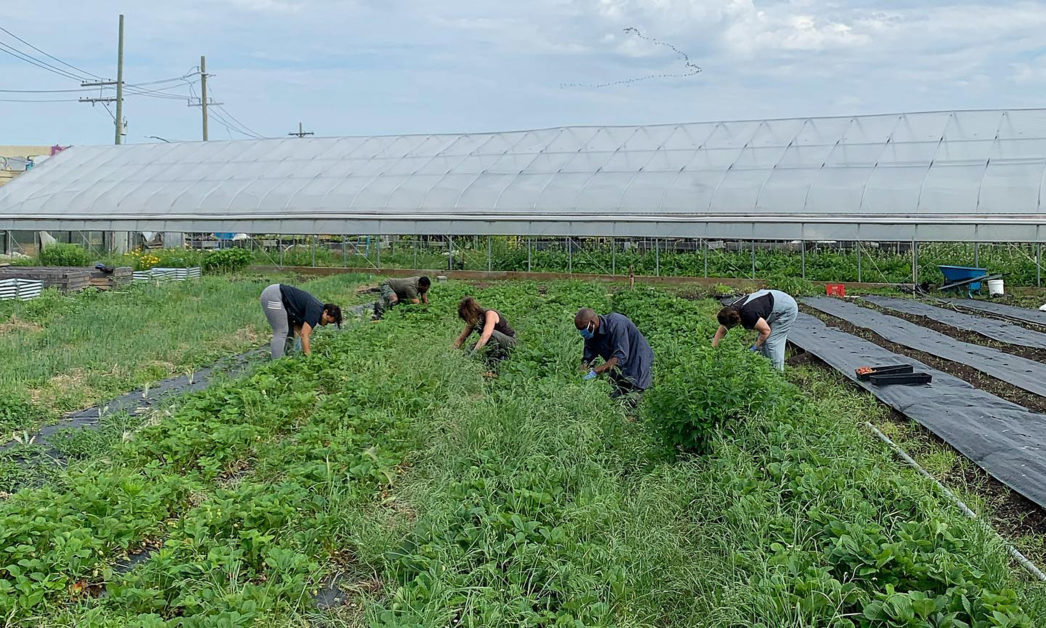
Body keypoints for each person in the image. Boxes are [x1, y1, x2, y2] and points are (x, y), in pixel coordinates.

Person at [575, 308, 654, 404]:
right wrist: (583, 368)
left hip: (637, 360)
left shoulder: (616, 323)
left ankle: (633, 416)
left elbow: (620, 357)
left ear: (592, 323)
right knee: (615, 399)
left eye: (583, 329)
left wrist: (596, 371)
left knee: (634, 399)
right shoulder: (591, 333)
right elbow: (589, 355)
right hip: (616, 363)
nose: (583, 333)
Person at [712, 289, 798, 371]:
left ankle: (778, 373)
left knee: (772, 342)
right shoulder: (730, 312)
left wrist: (755, 347)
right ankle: (767, 368)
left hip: (786, 308)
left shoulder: (748, 314)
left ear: (736, 322)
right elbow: (721, 331)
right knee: (764, 342)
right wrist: (712, 350)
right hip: (772, 301)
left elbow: (766, 331)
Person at [260, 283, 342, 359]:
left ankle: (288, 357)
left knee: (289, 331)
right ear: (326, 312)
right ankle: (276, 364)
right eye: (327, 321)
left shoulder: (315, 310)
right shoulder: (316, 310)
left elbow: (299, 330)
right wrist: (309, 357)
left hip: (280, 299)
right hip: (274, 295)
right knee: (281, 331)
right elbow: (304, 334)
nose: (325, 324)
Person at [453, 296, 517, 362]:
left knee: (491, 334)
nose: (468, 322)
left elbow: (486, 335)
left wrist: (474, 353)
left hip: (509, 342)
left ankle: (493, 366)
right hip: (493, 341)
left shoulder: (490, 314)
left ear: (473, 313)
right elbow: (461, 339)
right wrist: (451, 353)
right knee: (468, 350)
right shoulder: (473, 321)